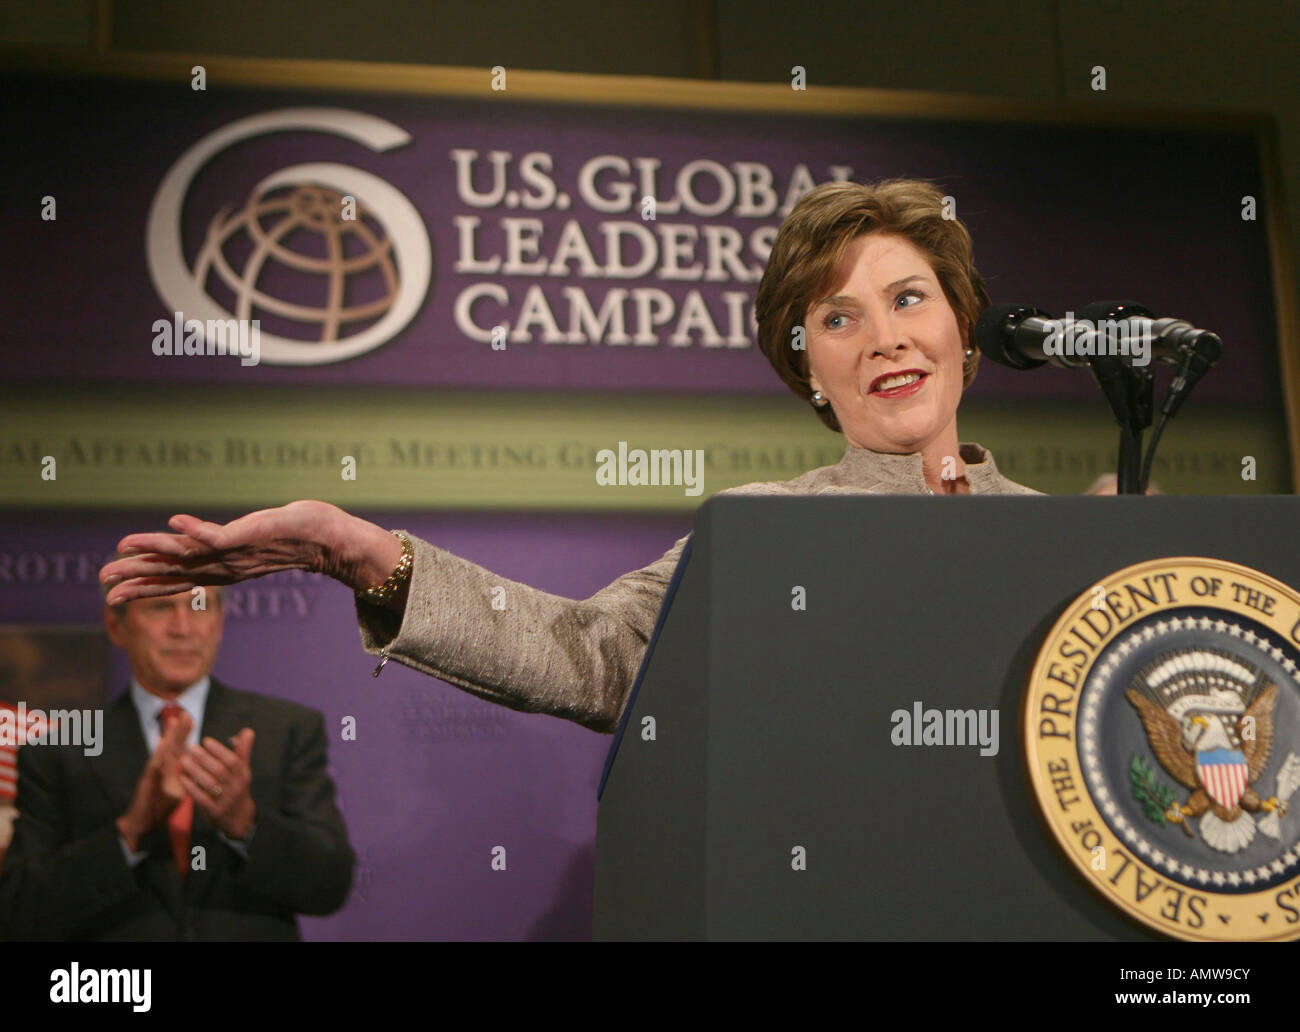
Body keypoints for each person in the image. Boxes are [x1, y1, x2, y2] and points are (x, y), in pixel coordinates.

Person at [98, 178, 1038, 735]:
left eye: (911, 299)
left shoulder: (1070, 537)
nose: (886, 339)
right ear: (812, 373)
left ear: (964, 323)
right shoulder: (763, 530)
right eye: (839, 319)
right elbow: (592, 655)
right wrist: (357, 550)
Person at [0, 579, 355, 940]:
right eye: (159, 607)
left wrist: (246, 823)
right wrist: (130, 832)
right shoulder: (59, 749)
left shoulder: (287, 731)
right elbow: (19, 910)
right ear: (116, 625)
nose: (183, 628)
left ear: (219, 621)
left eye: (200, 607)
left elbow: (329, 886)